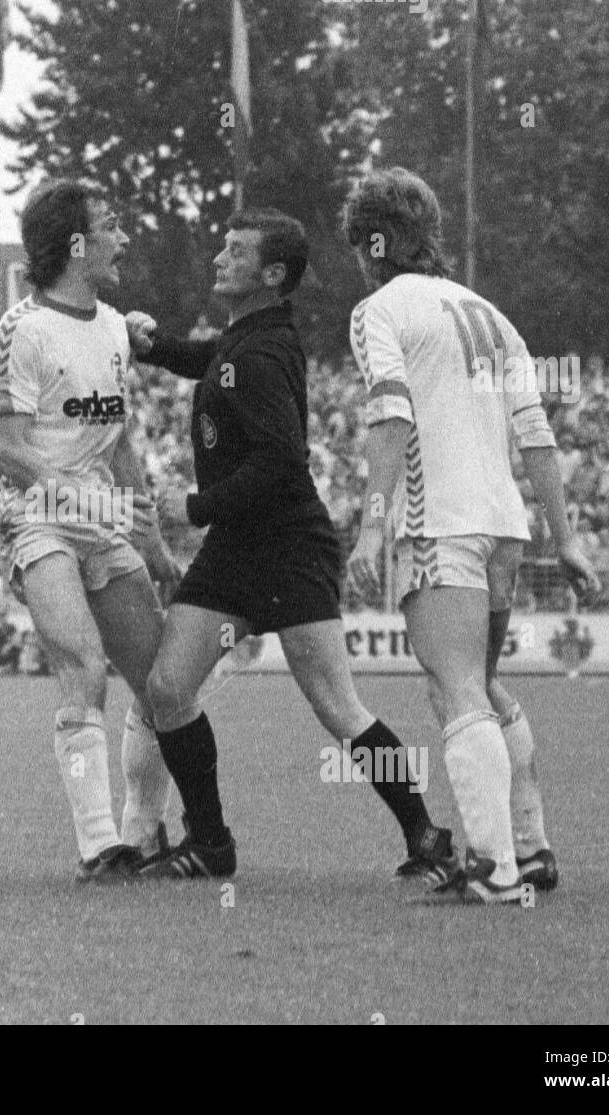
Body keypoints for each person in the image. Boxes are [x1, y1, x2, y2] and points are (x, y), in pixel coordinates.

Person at [126, 207, 450, 882]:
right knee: (166, 687)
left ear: (272, 274)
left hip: (289, 547)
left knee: (338, 707)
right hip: (236, 548)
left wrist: (193, 506)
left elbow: (281, 460)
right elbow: (209, 360)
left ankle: (425, 831)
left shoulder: (265, 350)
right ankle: (211, 842)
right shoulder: (246, 339)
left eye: (235, 250)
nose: (219, 257)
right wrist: (153, 346)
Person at [341, 166, 601, 904]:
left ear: (376, 243)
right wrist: (568, 538)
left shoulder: (379, 311)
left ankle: (491, 867)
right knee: (480, 684)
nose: (360, 258)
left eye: (361, 244)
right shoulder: (491, 314)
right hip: (503, 526)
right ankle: (531, 847)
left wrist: (370, 528)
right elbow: (536, 434)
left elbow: (391, 416)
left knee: (454, 689)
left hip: (439, 522)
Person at [0, 178, 182, 883]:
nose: (122, 237)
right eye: (110, 226)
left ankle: (141, 830)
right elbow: (5, 445)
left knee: (163, 682)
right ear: (75, 244)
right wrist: (71, 493)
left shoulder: (112, 328)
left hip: (105, 524)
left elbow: (120, 444)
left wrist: (151, 539)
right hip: (40, 522)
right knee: (85, 667)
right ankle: (99, 846)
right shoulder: (20, 332)